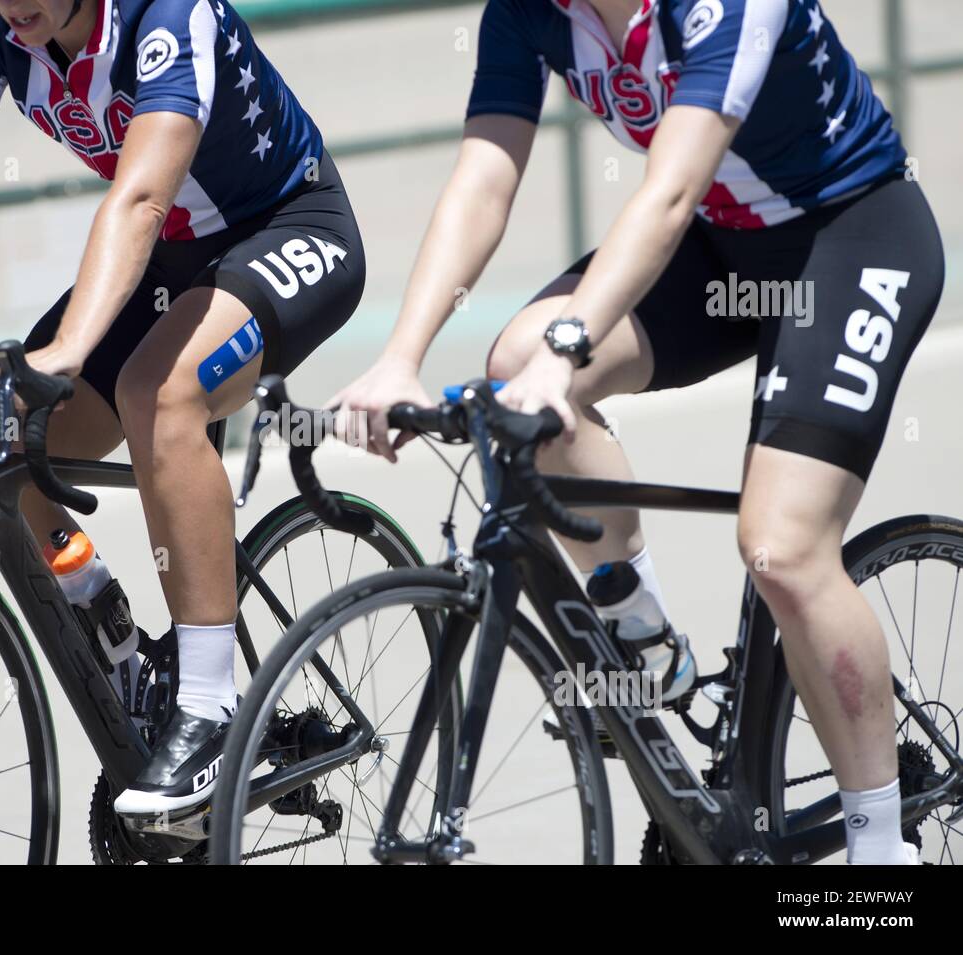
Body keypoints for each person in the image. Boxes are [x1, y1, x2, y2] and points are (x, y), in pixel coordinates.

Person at [333, 0, 942, 864]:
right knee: (515, 365)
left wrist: (570, 347)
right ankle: (638, 625)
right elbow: (484, 177)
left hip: (848, 234)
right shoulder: (526, 14)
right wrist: (402, 355)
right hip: (720, 245)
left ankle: (881, 857)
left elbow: (669, 189)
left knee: (782, 547)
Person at [0, 0, 365, 816]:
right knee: (9, 444)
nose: (15, 4)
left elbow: (138, 199)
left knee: (157, 392)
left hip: (286, 226)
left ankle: (207, 711)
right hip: (172, 253)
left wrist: (66, 354)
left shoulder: (166, 15)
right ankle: (123, 649)